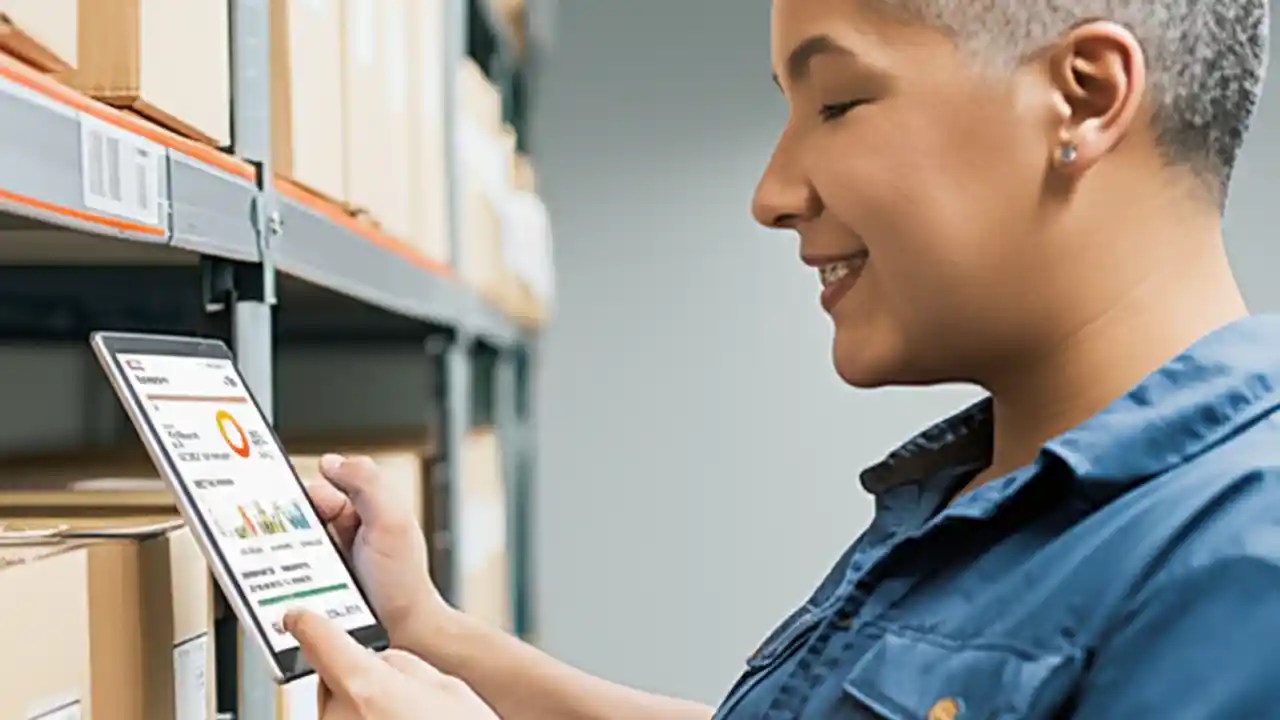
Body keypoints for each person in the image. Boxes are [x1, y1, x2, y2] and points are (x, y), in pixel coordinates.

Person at [282, 0, 1277, 716]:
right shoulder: (993, 490)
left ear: (1083, 96)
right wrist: (431, 633)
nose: (773, 193)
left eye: (837, 103)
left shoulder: (1240, 571)